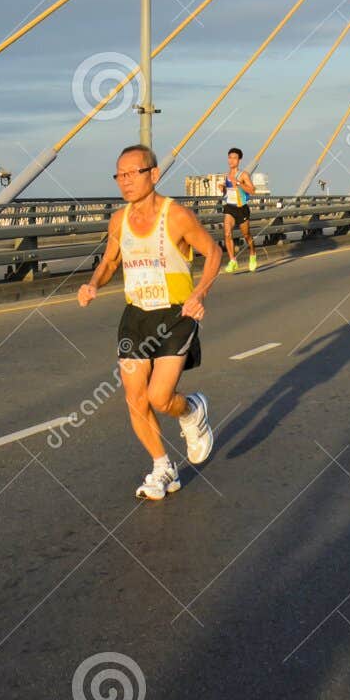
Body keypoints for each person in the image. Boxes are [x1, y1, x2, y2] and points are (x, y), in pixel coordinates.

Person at [78, 145, 221, 500]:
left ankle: (191, 410)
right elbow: (110, 262)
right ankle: (162, 466)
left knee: (160, 397)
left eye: (132, 173)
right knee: (134, 398)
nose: (125, 182)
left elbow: (214, 252)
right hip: (136, 317)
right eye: (119, 175)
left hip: (176, 315)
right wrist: (93, 283)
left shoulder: (177, 216)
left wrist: (200, 293)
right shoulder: (119, 220)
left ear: (153, 175)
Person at [221, 146, 257, 273]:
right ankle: (232, 261)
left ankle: (252, 254)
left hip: (241, 208)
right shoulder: (227, 175)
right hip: (230, 207)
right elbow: (227, 192)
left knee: (246, 235)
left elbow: (252, 191)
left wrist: (239, 183)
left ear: (239, 160)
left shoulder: (243, 175)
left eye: (234, 158)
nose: (231, 160)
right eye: (230, 157)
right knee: (227, 233)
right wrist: (223, 189)